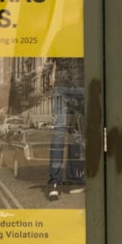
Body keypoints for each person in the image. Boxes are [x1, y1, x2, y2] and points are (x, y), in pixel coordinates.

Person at [47, 57, 85, 201]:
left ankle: (55, 183)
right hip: (79, 84)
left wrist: (52, 81)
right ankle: (73, 179)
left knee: (62, 133)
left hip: (64, 85)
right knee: (74, 133)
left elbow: (50, 61)